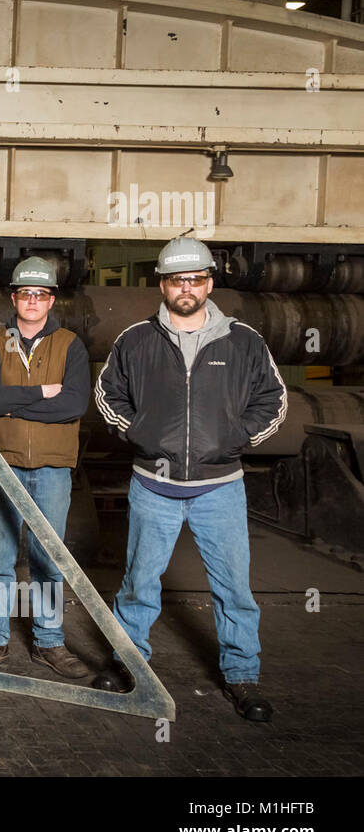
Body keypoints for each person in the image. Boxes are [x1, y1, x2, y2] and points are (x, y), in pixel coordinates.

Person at [93, 236, 287, 721]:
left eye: (196, 279)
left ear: (209, 283)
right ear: (162, 283)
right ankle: (127, 662)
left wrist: (233, 439)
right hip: (152, 486)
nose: (187, 288)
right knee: (139, 582)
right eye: (178, 279)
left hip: (219, 488)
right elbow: (107, 395)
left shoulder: (244, 341)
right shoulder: (135, 340)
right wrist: (142, 434)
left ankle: (242, 676)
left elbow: (273, 400)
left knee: (234, 589)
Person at [0, 256, 90, 678]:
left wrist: (15, 405)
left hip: (53, 468)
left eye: (41, 294)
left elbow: (74, 404)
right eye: (25, 293)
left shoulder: (71, 345)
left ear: (51, 300)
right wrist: (41, 393)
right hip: (3, 465)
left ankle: (49, 643)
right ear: (13, 297)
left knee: (48, 558)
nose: (32, 301)